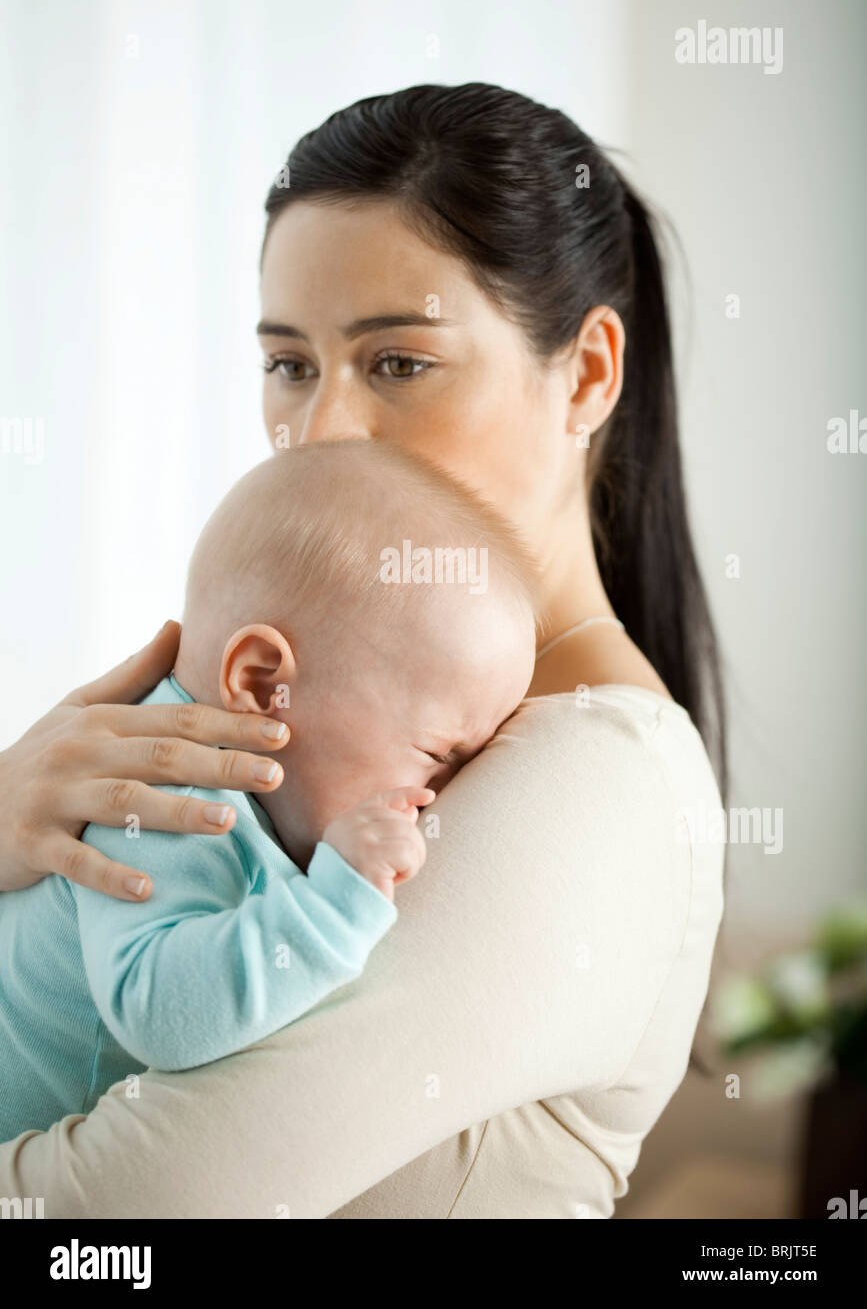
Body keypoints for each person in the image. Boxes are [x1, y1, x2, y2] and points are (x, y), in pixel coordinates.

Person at [0, 83, 726, 1218]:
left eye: (398, 362)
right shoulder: (306, 691)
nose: (320, 429)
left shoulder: (599, 782)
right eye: (290, 364)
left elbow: (131, 1211)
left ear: (586, 373)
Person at [0, 440, 538, 1140]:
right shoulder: (160, 800)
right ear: (261, 685)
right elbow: (157, 1010)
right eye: (437, 753)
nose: (446, 794)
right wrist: (333, 908)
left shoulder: (244, 799)